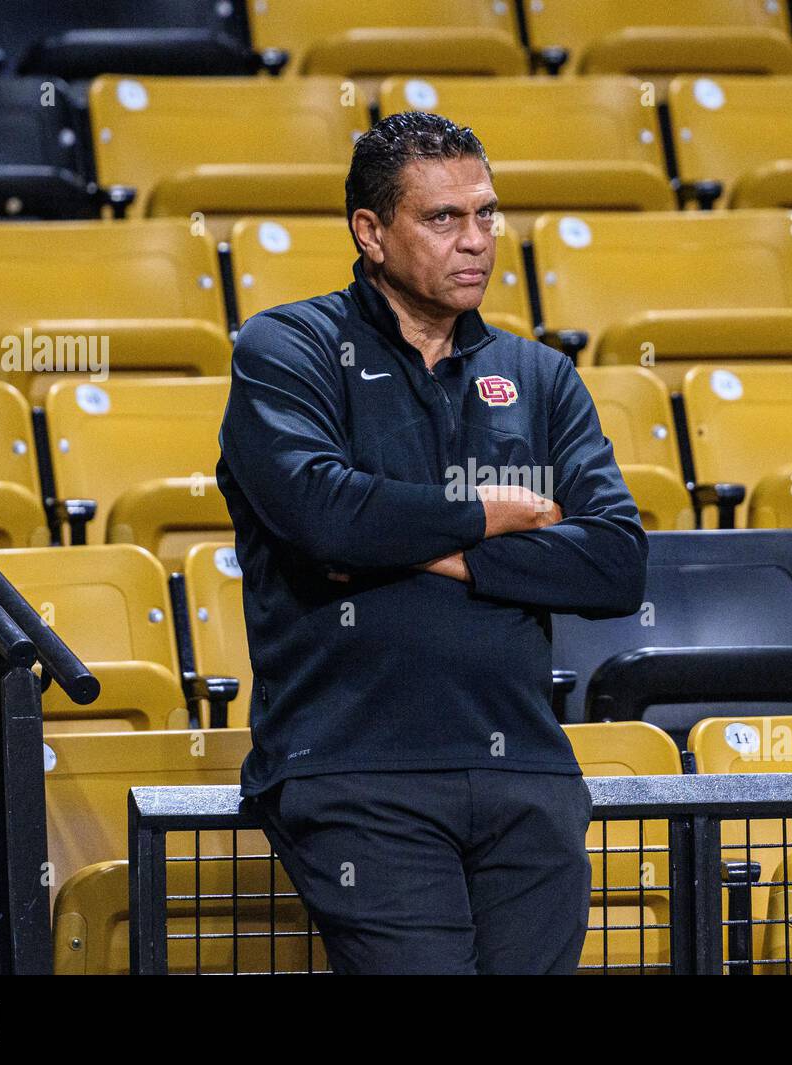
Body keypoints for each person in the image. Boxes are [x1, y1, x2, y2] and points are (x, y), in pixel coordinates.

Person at [217, 110, 648, 975]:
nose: (476, 240)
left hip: (527, 767)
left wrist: (411, 540)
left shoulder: (539, 375)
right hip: (356, 771)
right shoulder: (289, 347)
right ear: (370, 232)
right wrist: (497, 512)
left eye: (486, 213)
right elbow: (321, 512)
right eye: (443, 218)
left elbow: (614, 562)